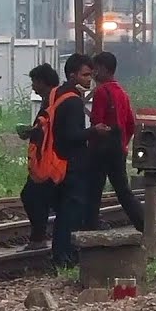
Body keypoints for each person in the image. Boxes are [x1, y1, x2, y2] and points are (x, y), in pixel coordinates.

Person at [86, 51, 143, 232]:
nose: (93, 74)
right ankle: (147, 226)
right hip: (118, 149)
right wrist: (123, 143)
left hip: (101, 150)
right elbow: (131, 124)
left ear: (103, 69)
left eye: (95, 69)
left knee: (94, 189)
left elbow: (96, 121)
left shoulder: (102, 91)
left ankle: (91, 224)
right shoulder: (122, 92)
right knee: (124, 192)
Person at [50, 53, 93, 267]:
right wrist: (94, 131)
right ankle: (65, 256)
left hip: (56, 162)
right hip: (72, 165)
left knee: (62, 212)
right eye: (85, 75)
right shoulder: (74, 101)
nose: (89, 79)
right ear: (72, 75)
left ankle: (59, 253)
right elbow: (72, 135)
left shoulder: (56, 94)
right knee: (70, 212)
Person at [18, 63, 61, 250]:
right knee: (35, 197)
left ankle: (39, 237)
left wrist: (33, 133)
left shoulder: (54, 102)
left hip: (51, 163)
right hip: (42, 161)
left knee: (32, 196)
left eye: (34, 82)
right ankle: (39, 236)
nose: (33, 86)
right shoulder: (47, 101)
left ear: (43, 82)